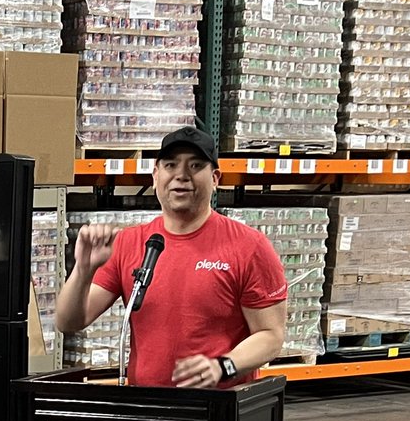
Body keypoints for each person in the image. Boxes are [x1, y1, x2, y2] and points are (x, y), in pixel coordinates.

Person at [56, 126, 287, 388]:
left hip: (217, 403)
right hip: (147, 404)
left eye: (195, 166)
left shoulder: (249, 246)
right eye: (170, 165)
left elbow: (271, 336)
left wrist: (224, 366)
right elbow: (69, 322)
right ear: (155, 176)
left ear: (215, 178)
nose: (181, 175)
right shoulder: (129, 243)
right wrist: (83, 271)